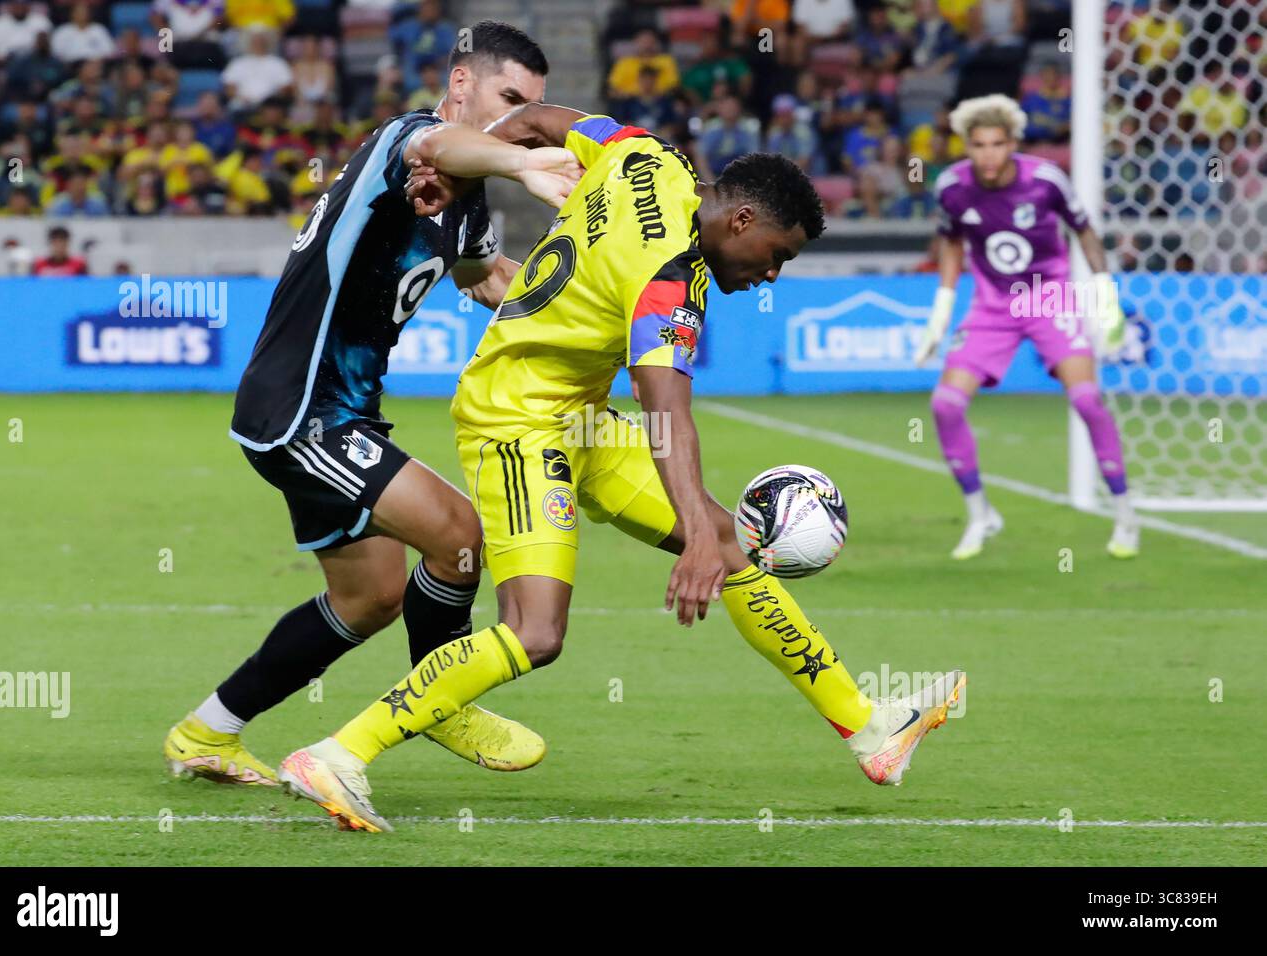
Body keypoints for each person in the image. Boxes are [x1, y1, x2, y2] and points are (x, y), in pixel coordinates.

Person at [278, 106, 965, 833]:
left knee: (730, 546)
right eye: (777, 253)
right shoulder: (668, 283)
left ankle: (869, 730)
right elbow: (667, 413)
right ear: (741, 220)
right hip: (517, 421)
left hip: (577, 415)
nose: (771, 272)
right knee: (537, 633)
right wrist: (693, 537)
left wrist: (456, 174)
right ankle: (340, 753)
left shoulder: (649, 158)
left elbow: (535, 118)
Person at [163, 21, 582, 786]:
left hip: (338, 411)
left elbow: (484, 277)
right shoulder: (411, 139)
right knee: (458, 533)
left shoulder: (468, 200)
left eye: (534, 105)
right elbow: (439, 151)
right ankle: (443, 696)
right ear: (462, 84)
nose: (521, 114)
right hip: (304, 408)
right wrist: (524, 160)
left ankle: (207, 732)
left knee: (370, 597)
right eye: (509, 97)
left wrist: (593, 300)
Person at [913, 95, 1137, 559]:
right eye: (978, 145)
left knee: (1088, 399)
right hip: (992, 305)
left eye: (997, 144)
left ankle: (1125, 514)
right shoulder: (953, 187)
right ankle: (980, 514)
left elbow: (1085, 232)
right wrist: (943, 306)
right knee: (946, 404)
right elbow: (951, 243)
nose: (988, 154)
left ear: (1012, 144)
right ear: (967, 146)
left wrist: (1104, 297)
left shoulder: (1046, 180)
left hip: (1048, 295)